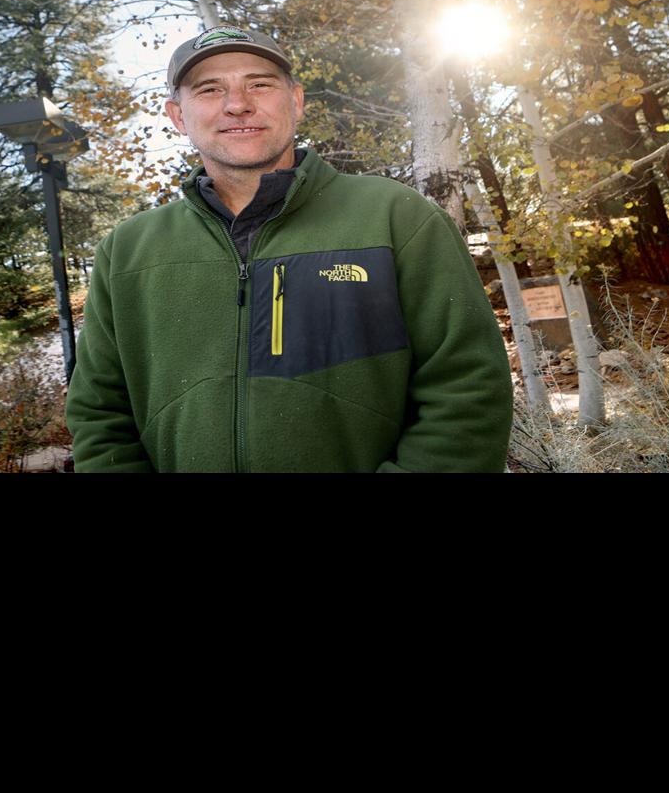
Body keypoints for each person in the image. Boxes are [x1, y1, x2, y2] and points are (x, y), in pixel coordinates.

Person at [65, 25, 513, 472]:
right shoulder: (127, 252)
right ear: (178, 116)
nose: (238, 104)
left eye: (259, 84)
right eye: (209, 89)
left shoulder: (396, 218)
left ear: (296, 101)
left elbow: (467, 389)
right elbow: (100, 416)